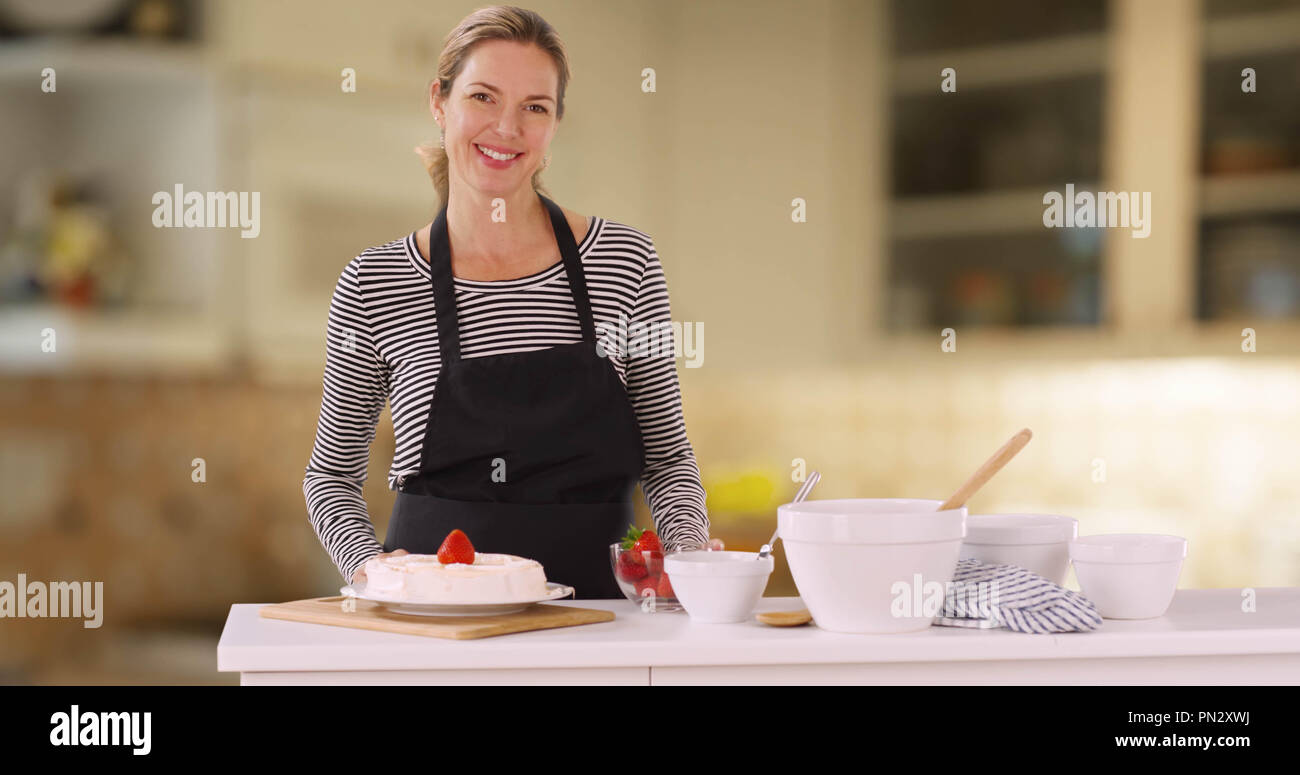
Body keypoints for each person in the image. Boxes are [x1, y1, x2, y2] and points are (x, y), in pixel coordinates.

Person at [303, 6, 720, 600]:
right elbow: (331, 477)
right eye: (482, 96)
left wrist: (688, 556)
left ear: (554, 125)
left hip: (603, 623)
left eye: (535, 107)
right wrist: (369, 568)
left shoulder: (625, 262)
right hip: (436, 625)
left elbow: (669, 457)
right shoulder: (376, 281)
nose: (507, 127)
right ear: (439, 102)